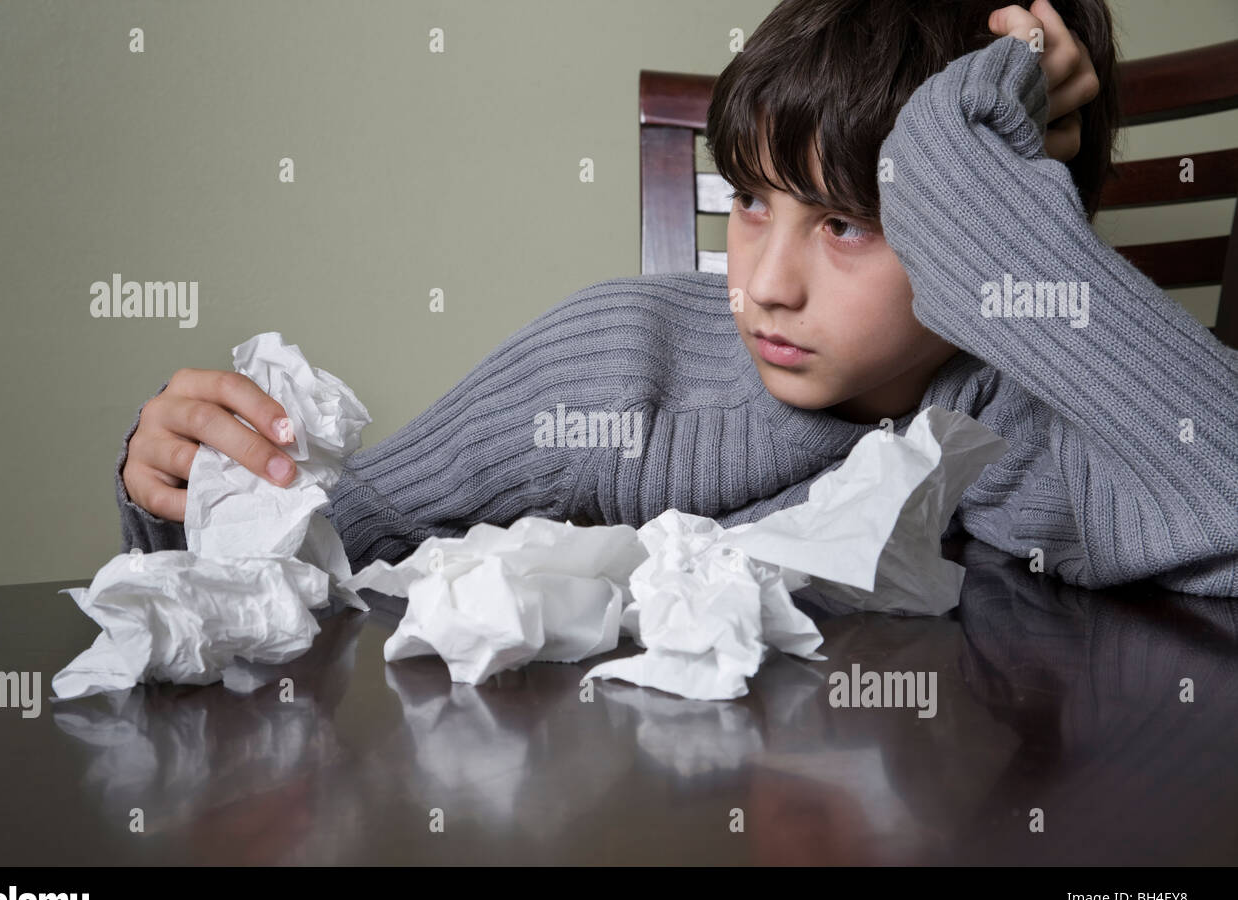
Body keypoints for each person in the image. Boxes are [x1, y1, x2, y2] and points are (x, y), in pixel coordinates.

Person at [116, 0, 1238, 596]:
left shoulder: (1032, 432)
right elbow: (315, 549)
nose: (761, 284)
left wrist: (986, 180)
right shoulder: (619, 371)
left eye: (845, 222)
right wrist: (182, 495)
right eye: (749, 202)